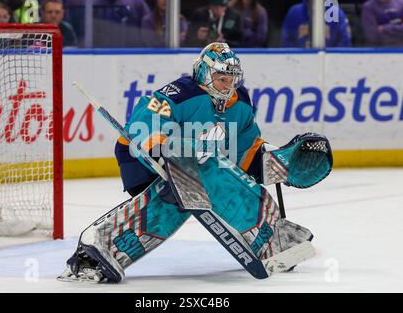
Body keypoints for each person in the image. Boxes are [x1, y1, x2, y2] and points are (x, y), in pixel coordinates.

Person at [59, 42, 331, 283]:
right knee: (202, 170)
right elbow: (142, 127)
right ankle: (104, 242)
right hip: (140, 161)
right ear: (204, 73)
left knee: (205, 179)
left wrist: (277, 162)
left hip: (196, 167)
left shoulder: (241, 103)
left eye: (231, 80)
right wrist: (169, 153)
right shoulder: (181, 93)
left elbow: (245, 149)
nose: (228, 85)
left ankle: (98, 253)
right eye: (221, 78)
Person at [281, 0, 352, 47]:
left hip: (330, 62)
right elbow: (286, 42)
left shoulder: (337, 13)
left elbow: (345, 42)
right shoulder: (294, 12)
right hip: (297, 62)